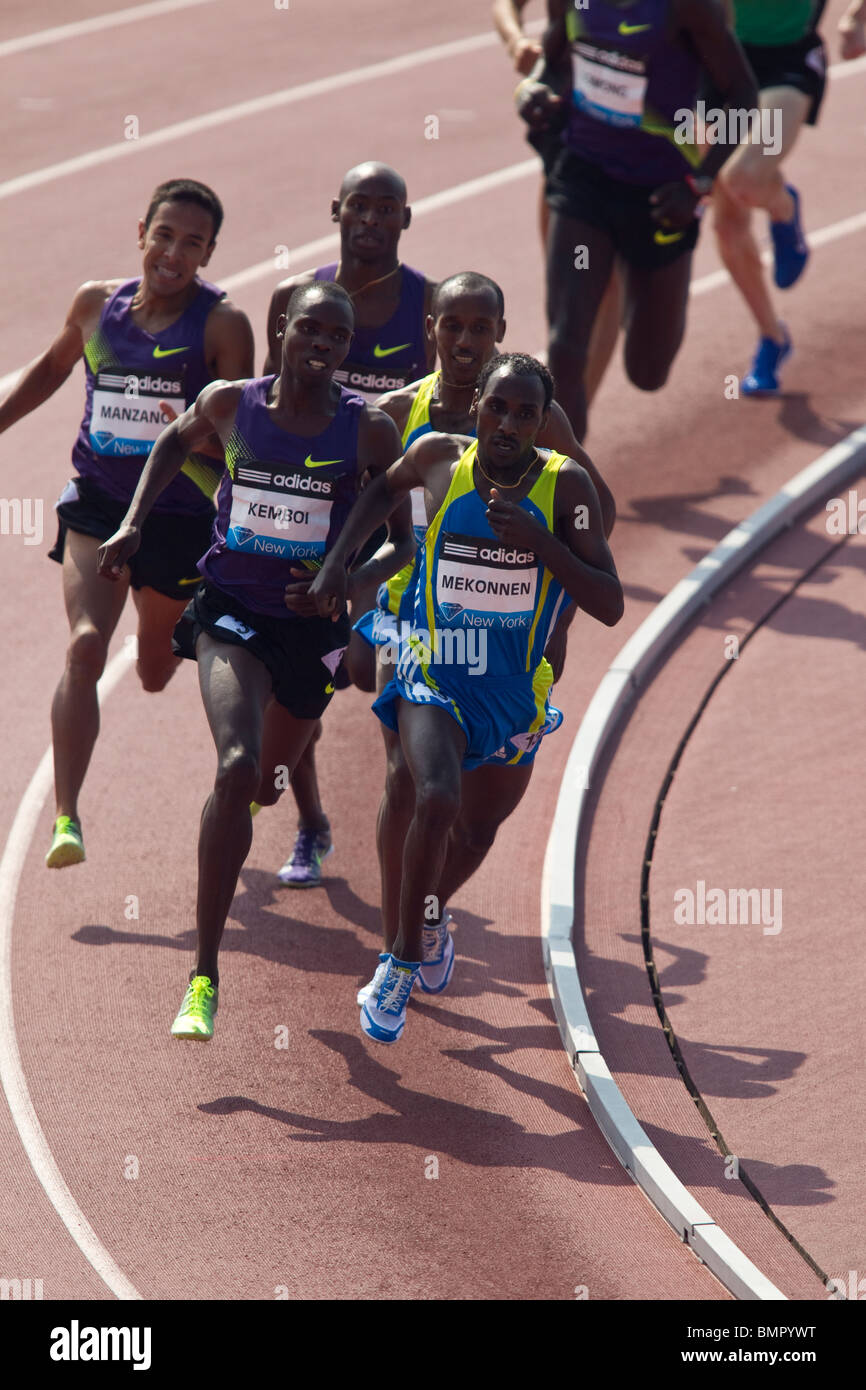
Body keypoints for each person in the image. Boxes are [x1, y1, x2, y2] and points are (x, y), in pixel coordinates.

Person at [96, 282, 408, 1040]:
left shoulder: (366, 432)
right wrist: (134, 522)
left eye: (338, 338)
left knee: (266, 779)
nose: (324, 345)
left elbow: (407, 539)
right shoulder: (235, 404)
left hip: (310, 634)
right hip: (230, 612)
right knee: (235, 768)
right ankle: (203, 973)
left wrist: (348, 579)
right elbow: (174, 441)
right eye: (310, 329)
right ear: (282, 329)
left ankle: (309, 809)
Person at [309, 353, 624, 1043]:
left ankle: (429, 911)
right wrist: (340, 568)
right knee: (436, 796)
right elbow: (378, 495)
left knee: (478, 831)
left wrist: (544, 544)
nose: (507, 423)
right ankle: (398, 962)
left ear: (545, 425)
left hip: (511, 688)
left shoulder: (564, 486)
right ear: (475, 403)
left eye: (524, 414)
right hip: (435, 664)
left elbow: (609, 602)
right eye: (496, 407)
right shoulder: (436, 460)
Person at [0, 178, 254, 868]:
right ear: (140, 231)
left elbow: (245, 441)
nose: (173, 253)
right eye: (164, 235)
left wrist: (197, 442)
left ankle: (155, 641)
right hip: (99, 502)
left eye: (192, 243)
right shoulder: (94, 306)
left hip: (177, 516)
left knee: (149, 670)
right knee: (84, 646)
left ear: (208, 253)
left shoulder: (222, 325)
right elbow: (52, 370)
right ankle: (67, 818)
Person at [262, 162, 436, 888]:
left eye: (384, 207)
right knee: (293, 679)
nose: (369, 219)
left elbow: (442, 399)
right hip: (305, 512)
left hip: (390, 517)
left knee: (366, 677)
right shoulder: (297, 300)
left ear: (405, 218)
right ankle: (311, 823)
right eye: (357, 205)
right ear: (336, 210)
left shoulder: (428, 303)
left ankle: (416, 841)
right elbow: (264, 402)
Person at [519, 0, 758, 441]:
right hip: (582, 182)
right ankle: (563, 487)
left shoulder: (686, 9)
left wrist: (699, 183)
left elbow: (742, 95)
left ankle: (635, 272)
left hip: (660, 198)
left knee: (648, 371)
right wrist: (532, 90)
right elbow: (554, 62)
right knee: (567, 344)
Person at [708, 2, 845, 393]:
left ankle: (784, 206)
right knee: (728, 228)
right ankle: (773, 338)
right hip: (720, 60)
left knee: (745, 177)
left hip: (788, 58)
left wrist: (856, 19)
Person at [493, 0, 623, 407]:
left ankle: (575, 422)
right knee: (566, 284)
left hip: (633, 137)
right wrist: (517, 42)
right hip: (568, 128)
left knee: (606, 286)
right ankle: (567, 411)